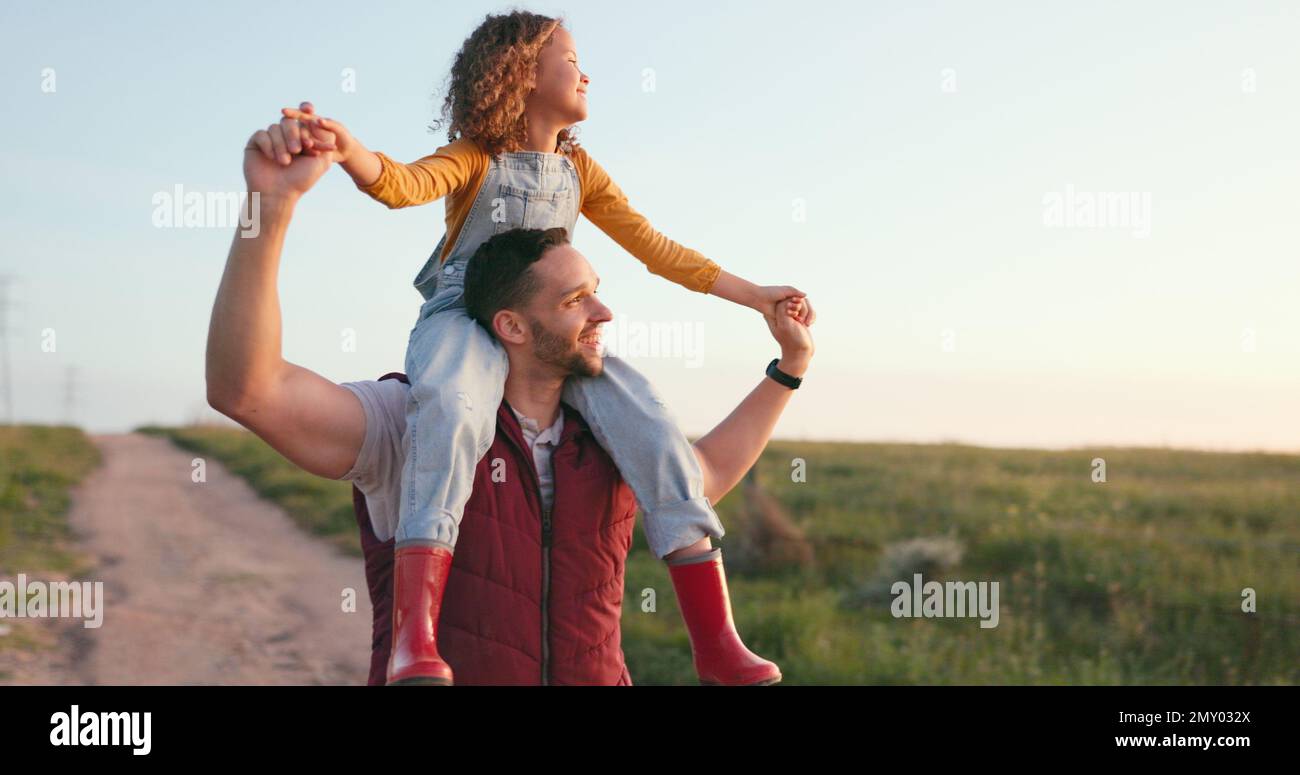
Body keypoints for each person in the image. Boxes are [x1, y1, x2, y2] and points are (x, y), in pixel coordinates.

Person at [253, 10, 814, 684]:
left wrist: (756, 296)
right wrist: (347, 149)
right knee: (454, 407)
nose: (585, 72)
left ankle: (716, 642)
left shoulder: (581, 169)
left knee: (651, 423)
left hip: (551, 333)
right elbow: (400, 184)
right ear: (520, 72)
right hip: (465, 317)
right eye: (570, 58)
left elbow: (656, 249)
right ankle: (414, 636)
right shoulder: (475, 157)